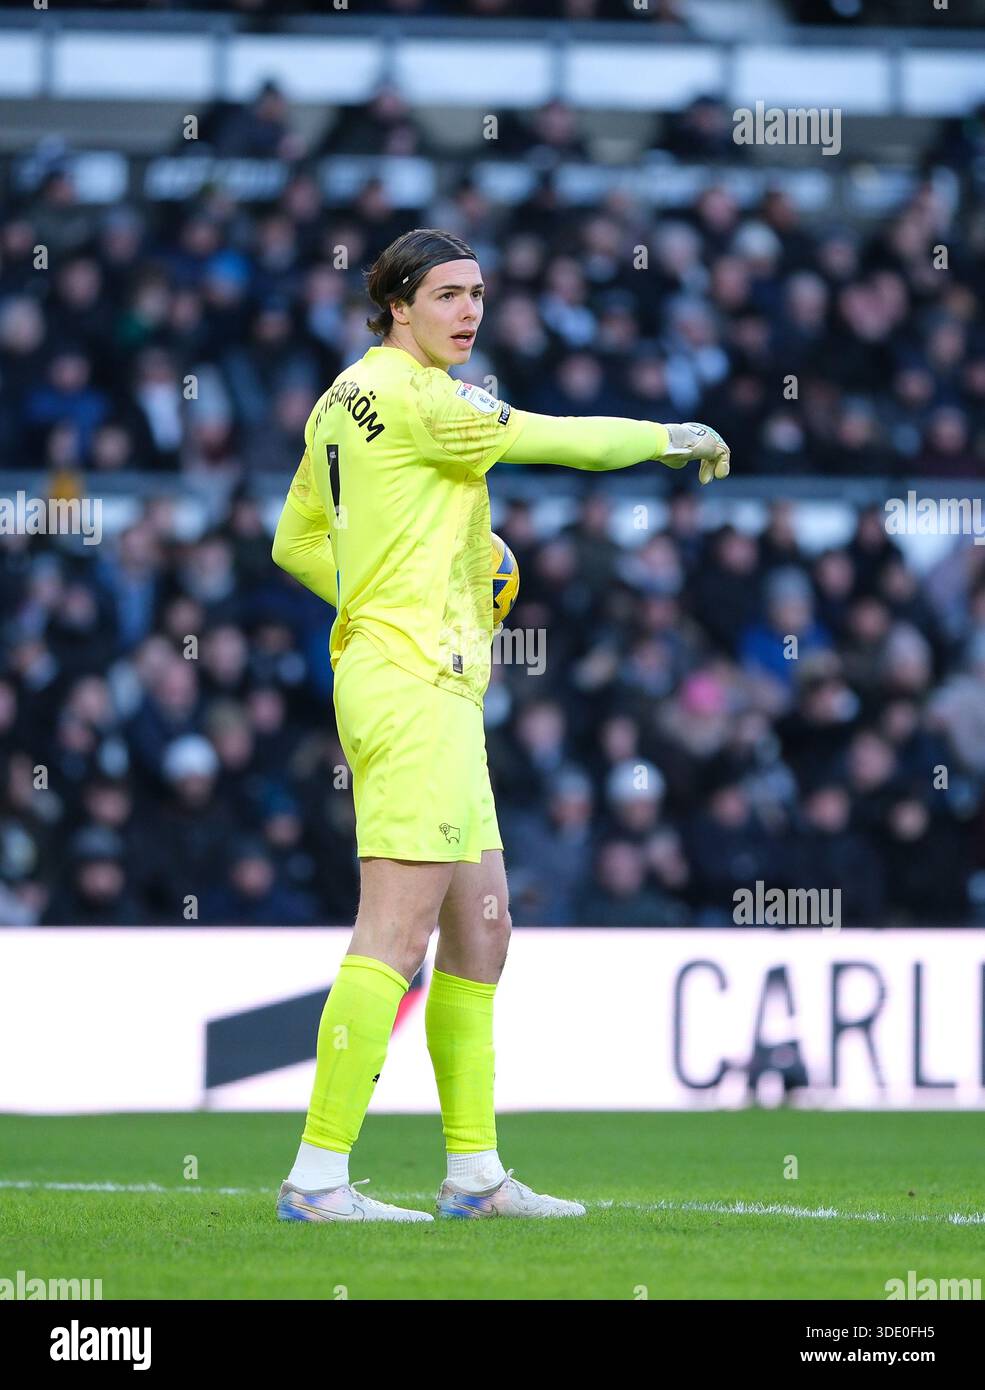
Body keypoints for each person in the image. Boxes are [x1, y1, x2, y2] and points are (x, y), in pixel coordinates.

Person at [270, 226, 731, 1223]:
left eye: (477, 292)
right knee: (393, 937)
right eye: (445, 294)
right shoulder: (429, 398)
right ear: (397, 303)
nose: (469, 311)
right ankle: (316, 1178)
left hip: (422, 681)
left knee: (483, 930)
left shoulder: (336, 398)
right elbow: (561, 439)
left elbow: (292, 540)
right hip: (412, 684)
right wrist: (669, 436)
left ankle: (473, 1176)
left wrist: (379, 585)